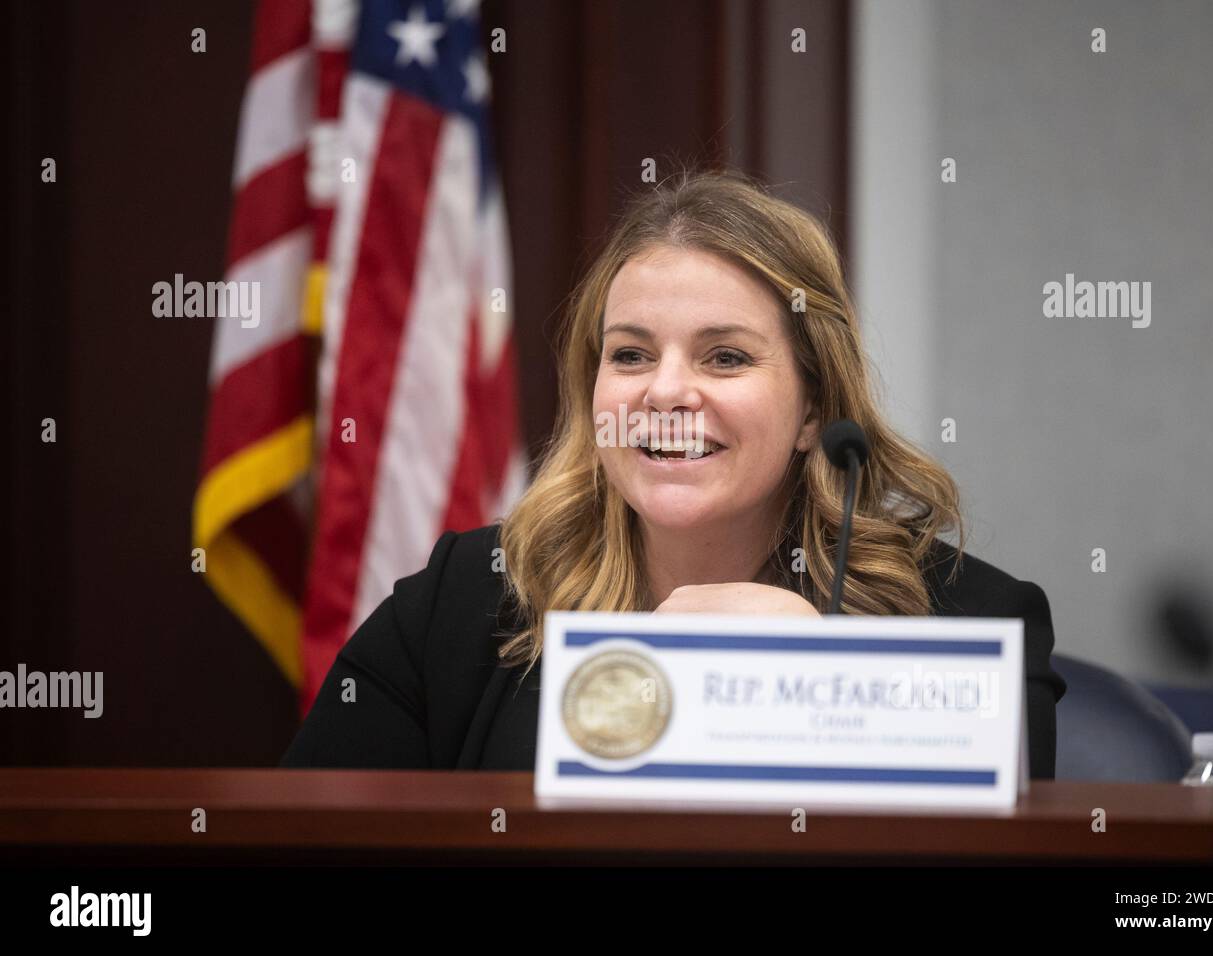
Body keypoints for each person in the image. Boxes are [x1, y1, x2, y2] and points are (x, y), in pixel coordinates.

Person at [280, 168, 1067, 778]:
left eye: (725, 356)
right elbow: (301, 844)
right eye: (629, 355)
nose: (664, 392)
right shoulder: (464, 602)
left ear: (810, 412)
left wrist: (836, 677)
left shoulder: (971, 621)